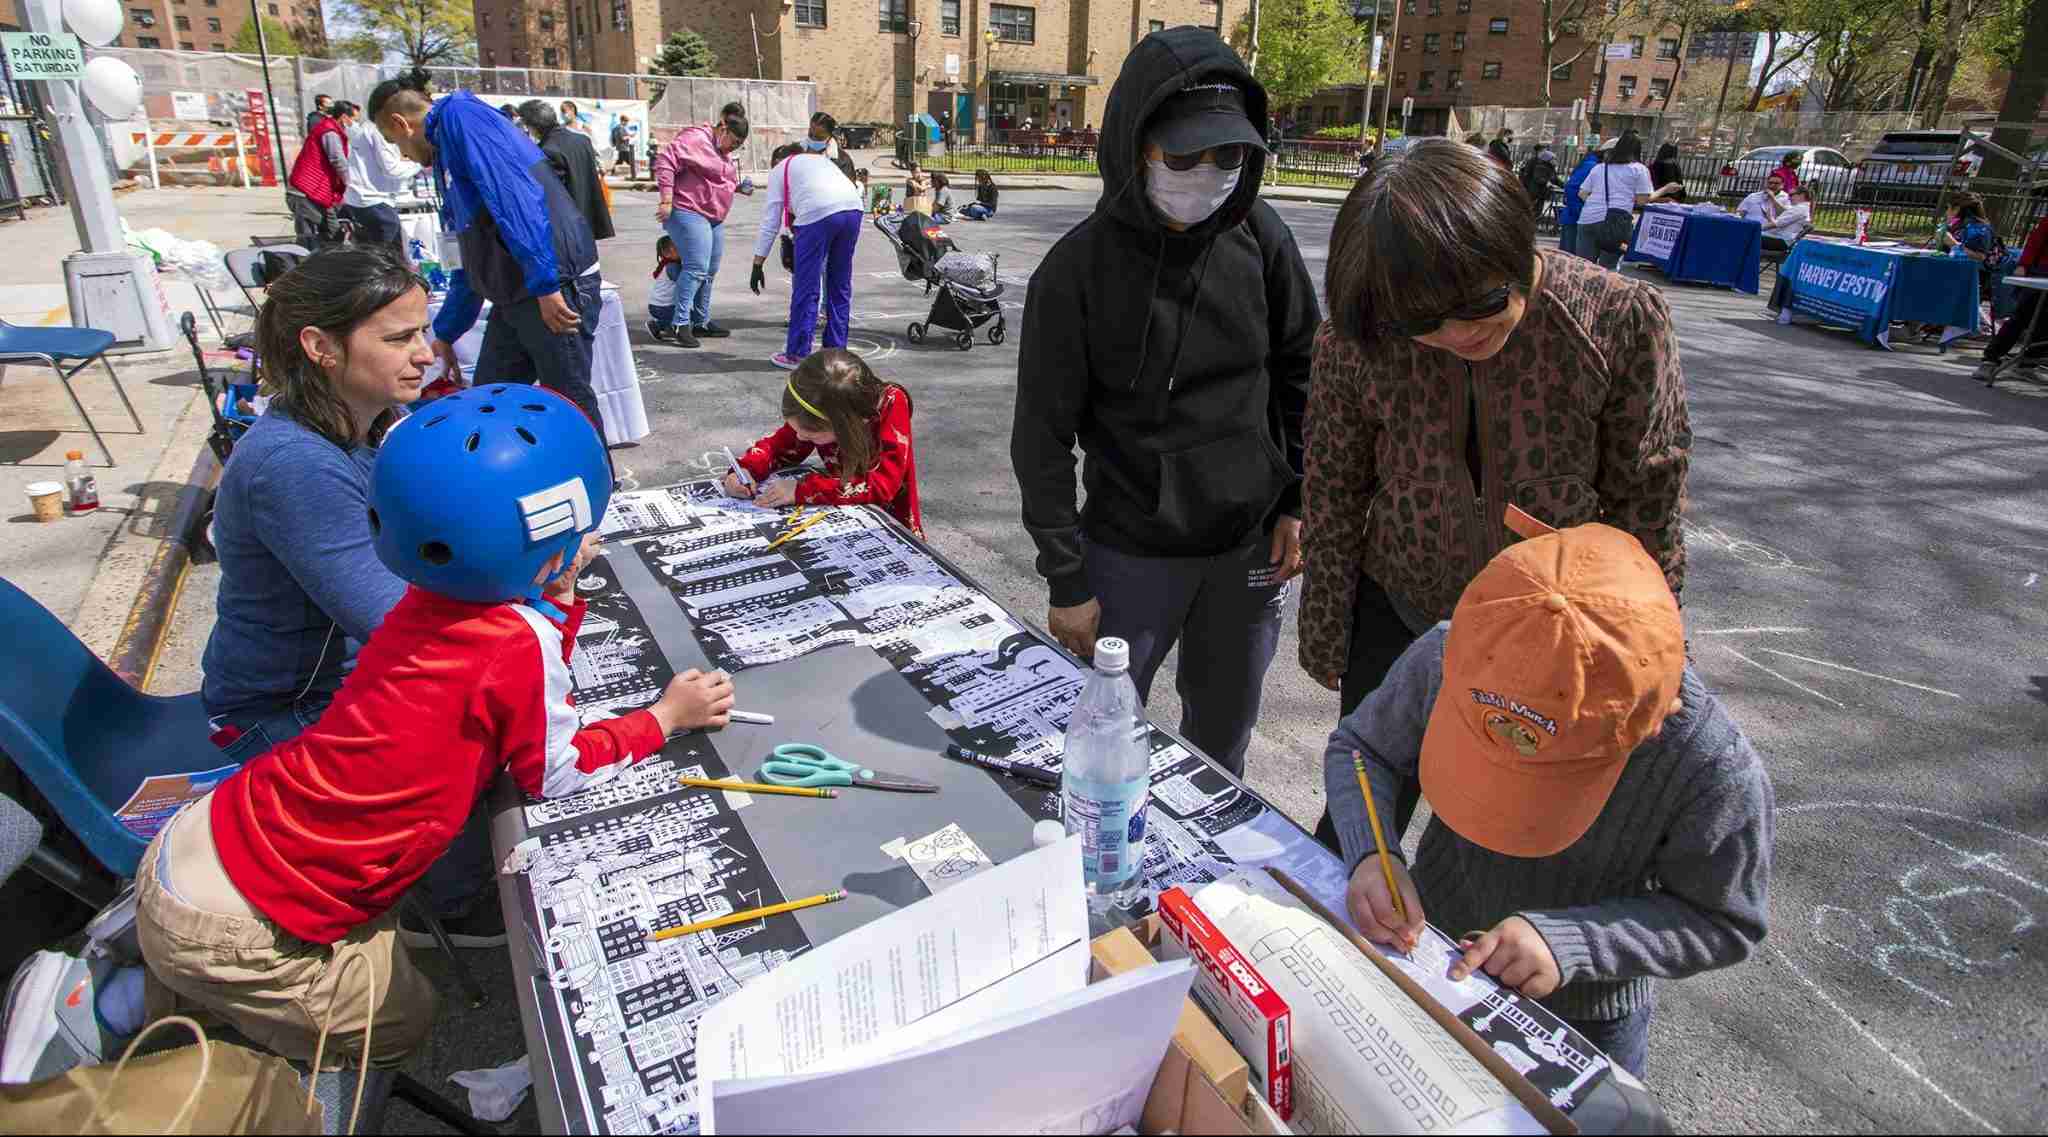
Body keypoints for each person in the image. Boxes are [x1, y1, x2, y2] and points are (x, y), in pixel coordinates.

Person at [120, 376, 735, 1079]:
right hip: (235, 927)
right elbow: (554, 770)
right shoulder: (513, 639)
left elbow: (504, 680)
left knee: (337, 962)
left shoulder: (427, 597)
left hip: (210, 839)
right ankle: (201, 1046)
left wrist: (552, 588)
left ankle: (165, 996)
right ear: (552, 534)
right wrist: (662, 717)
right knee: (402, 1020)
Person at [1300, 139, 1690, 846]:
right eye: (1424, 324)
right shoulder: (1363, 336)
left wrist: (1647, 654)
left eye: (1480, 302)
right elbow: (1332, 487)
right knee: (1359, 813)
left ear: (1515, 242)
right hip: (1402, 607)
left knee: (1505, 835)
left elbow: (1649, 502)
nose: (1457, 335)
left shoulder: (1617, 320)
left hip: (1550, 638)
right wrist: (1328, 631)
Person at [1327, 510, 1771, 1078]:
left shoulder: (1712, 767)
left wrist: (1573, 942)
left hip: (1582, 1023)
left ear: (1653, 721)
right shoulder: (1455, 654)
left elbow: (1726, 919)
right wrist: (1373, 854)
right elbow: (1362, 747)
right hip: (1431, 952)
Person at [1012, 27, 1320, 778]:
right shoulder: (1075, 272)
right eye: (1183, 157)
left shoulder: (1262, 237)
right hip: (1129, 552)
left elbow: (1304, 372)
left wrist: (1299, 500)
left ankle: (1207, 889)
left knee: (1223, 742)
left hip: (1246, 549)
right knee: (1099, 747)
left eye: (1229, 157)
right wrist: (1066, 578)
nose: (1207, 174)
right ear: (1136, 147)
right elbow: (1042, 437)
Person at [368, 72, 609, 434]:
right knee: (488, 401)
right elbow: (469, 251)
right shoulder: (445, 147)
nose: (401, 154)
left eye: (393, 142)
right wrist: (448, 332)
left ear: (401, 123)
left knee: (568, 400)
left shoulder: (464, 118)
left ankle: (599, 484)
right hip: (516, 291)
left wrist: (546, 286)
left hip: (550, 282)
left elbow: (516, 200)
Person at [721, 348, 922, 536]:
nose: (799, 438)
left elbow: (882, 486)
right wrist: (745, 469)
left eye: (810, 436)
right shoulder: (821, 409)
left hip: (888, 524)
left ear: (846, 426)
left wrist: (802, 490)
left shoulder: (892, 404)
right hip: (841, 515)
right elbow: (778, 447)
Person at [750, 141, 864, 369]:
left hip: (818, 214)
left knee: (807, 287)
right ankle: (836, 351)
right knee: (839, 284)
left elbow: (771, 221)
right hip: (853, 209)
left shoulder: (780, 169)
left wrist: (757, 263)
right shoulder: (818, 161)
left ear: (777, 161)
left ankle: (797, 354)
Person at [653, 106, 749, 349]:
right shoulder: (696, 138)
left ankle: (700, 321)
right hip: (688, 210)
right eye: (733, 142)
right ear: (723, 128)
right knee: (696, 268)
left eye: (739, 146)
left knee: (710, 270)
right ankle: (679, 323)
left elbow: (715, 178)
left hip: (713, 215)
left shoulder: (721, 151)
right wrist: (665, 199)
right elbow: (665, 161)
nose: (733, 148)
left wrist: (737, 187)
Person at [518, 99, 616, 244]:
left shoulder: (547, 150)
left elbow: (552, 193)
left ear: (533, 126)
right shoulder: (582, 140)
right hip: (588, 219)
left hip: (567, 226)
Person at [1577, 132, 1679, 270]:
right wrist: (1666, 189)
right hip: (1617, 222)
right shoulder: (1639, 169)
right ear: (1637, 151)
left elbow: (1582, 193)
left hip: (1587, 220)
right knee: (1608, 268)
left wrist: (1596, 204)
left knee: (1584, 266)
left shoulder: (1600, 167)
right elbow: (1643, 200)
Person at [340, 107, 423, 259]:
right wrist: (421, 161)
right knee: (389, 255)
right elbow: (392, 169)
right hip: (373, 199)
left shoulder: (368, 128)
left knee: (374, 250)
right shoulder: (379, 132)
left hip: (362, 198)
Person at [1975, 212, 2048, 381]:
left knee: (2045, 324)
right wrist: (2023, 265)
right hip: (2041, 272)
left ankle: (2028, 364)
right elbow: (2035, 241)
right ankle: (1990, 360)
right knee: (2022, 316)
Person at [286, 100, 353, 248]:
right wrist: (351, 184)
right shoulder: (329, 132)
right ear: (343, 117)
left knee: (331, 232)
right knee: (309, 238)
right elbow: (338, 160)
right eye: (352, 119)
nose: (353, 124)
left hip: (316, 191)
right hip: (305, 191)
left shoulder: (330, 129)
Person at [1556, 143, 1600, 259]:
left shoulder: (1590, 164)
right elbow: (1572, 188)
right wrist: (1579, 211)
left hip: (1574, 215)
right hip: (1576, 216)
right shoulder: (1592, 166)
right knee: (1570, 257)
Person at [648, 234, 683, 340]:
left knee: (673, 318)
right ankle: (656, 325)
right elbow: (683, 282)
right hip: (663, 306)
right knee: (680, 316)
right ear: (666, 254)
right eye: (678, 249)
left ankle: (667, 327)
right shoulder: (672, 267)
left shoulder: (666, 264)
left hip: (657, 304)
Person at [1760, 186, 1813, 250]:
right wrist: (1770, 217)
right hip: (1778, 237)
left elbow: (1776, 224)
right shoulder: (1801, 208)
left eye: (1791, 195)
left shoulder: (1799, 209)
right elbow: (1781, 223)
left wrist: (1755, 229)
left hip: (1780, 240)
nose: (1788, 198)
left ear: (1802, 195)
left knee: (1748, 236)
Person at [1516, 147, 1559, 216]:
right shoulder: (1541, 167)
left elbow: (1556, 180)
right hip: (1535, 193)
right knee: (1531, 211)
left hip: (1541, 194)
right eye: (1554, 159)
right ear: (1548, 159)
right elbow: (1538, 178)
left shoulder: (1551, 168)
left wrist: (1565, 185)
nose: (1555, 161)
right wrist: (1547, 182)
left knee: (1537, 211)